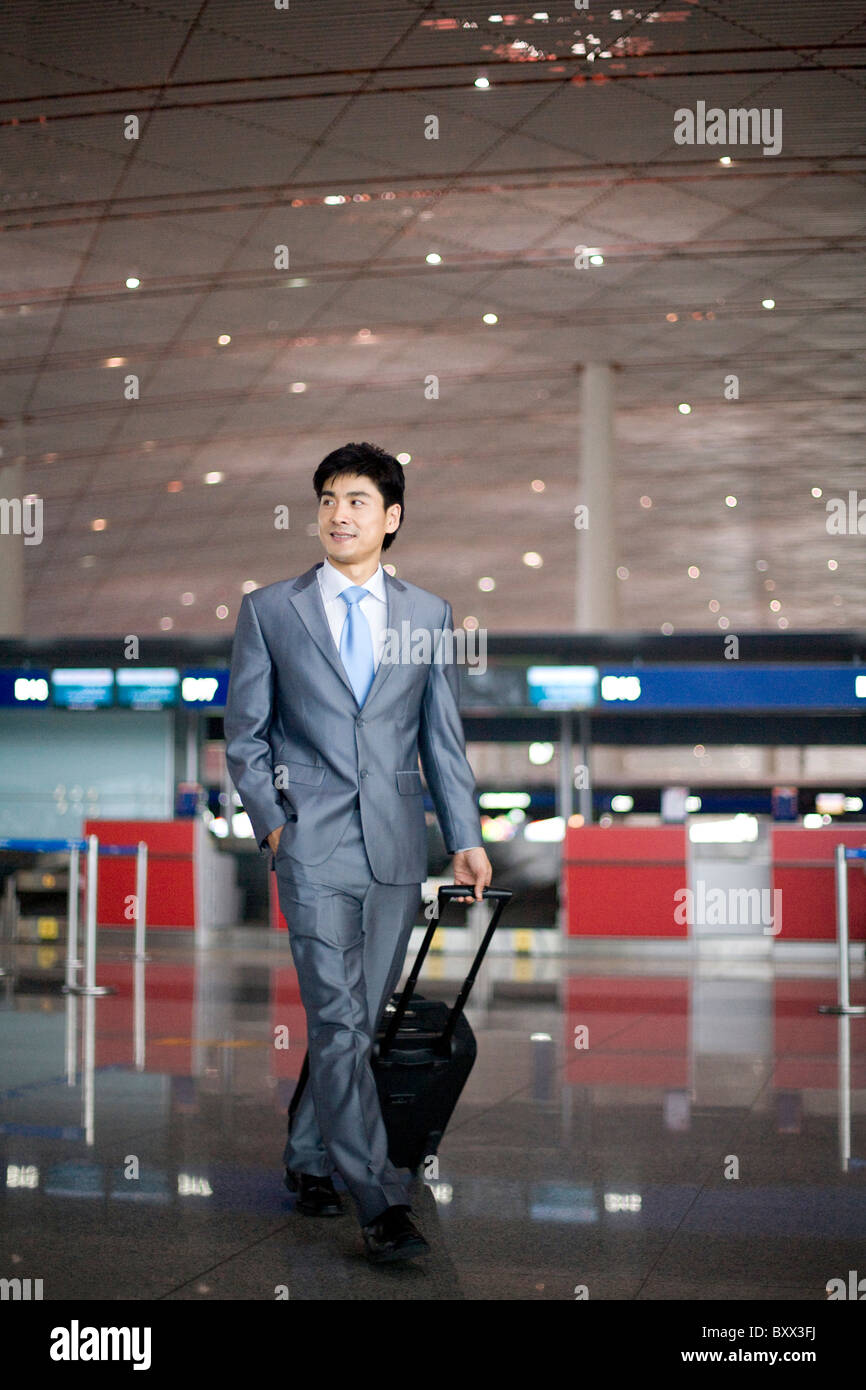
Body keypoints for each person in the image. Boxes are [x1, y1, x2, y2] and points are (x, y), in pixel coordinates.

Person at [224, 442, 492, 1263]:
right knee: (337, 1018)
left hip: (395, 848)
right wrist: (275, 823)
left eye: (359, 502)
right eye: (330, 499)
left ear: (392, 519)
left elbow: (439, 739)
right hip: (311, 846)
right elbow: (245, 733)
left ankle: (309, 1156)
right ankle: (379, 1200)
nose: (340, 514)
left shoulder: (428, 616)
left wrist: (466, 836)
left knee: (356, 1020)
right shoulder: (272, 610)